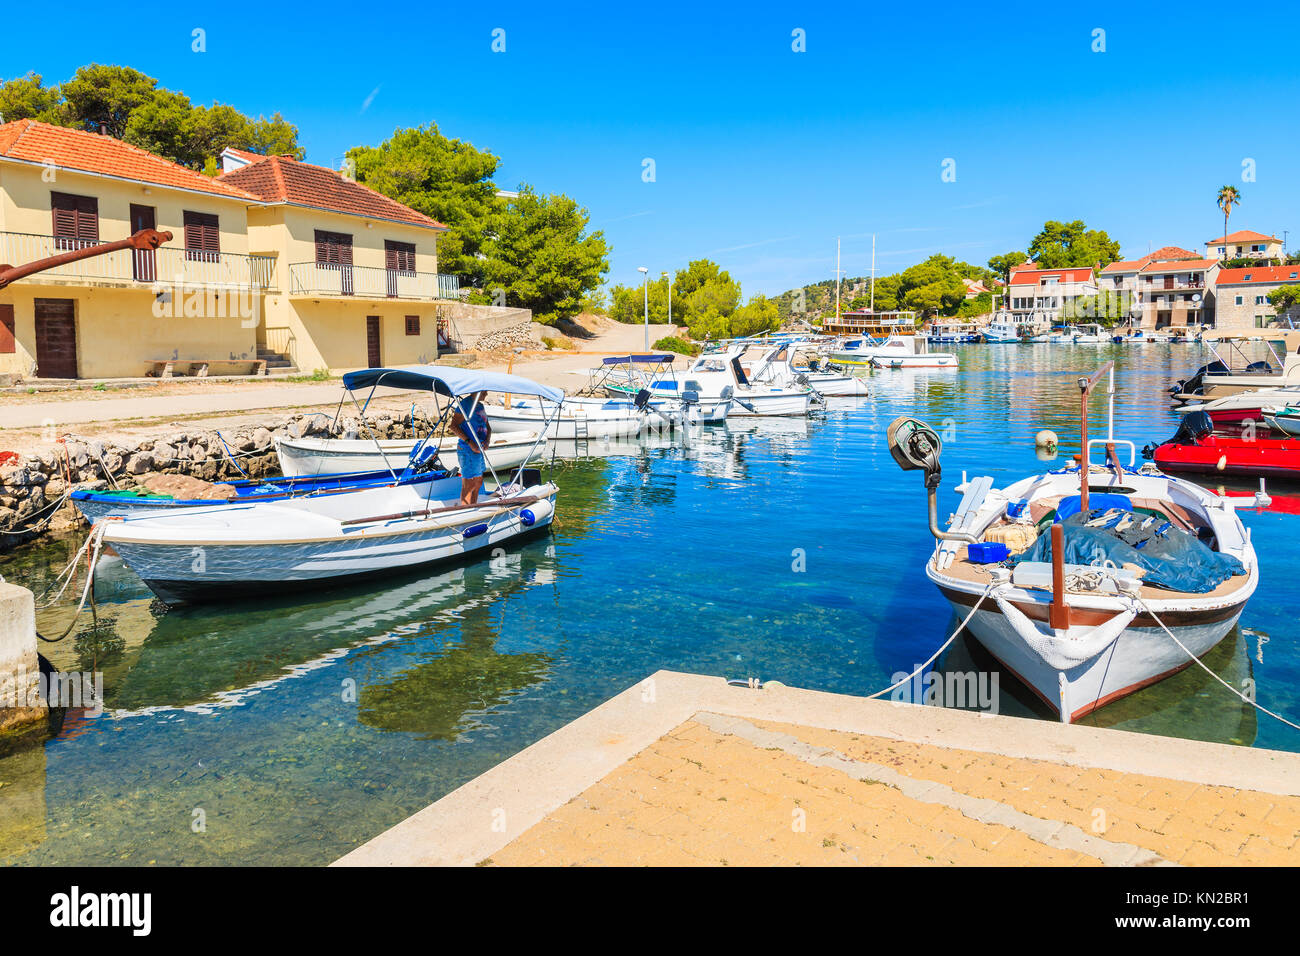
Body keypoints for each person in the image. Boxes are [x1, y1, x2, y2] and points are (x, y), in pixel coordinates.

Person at [451, 391, 491, 505]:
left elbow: (488, 427)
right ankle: (466, 511)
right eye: (484, 391)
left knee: (478, 481)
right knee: (469, 484)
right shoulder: (465, 404)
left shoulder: (480, 405)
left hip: (479, 450)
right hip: (467, 450)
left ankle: (473, 507)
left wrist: (487, 440)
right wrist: (470, 442)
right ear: (476, 391)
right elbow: (453, 426)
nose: (487, 394)